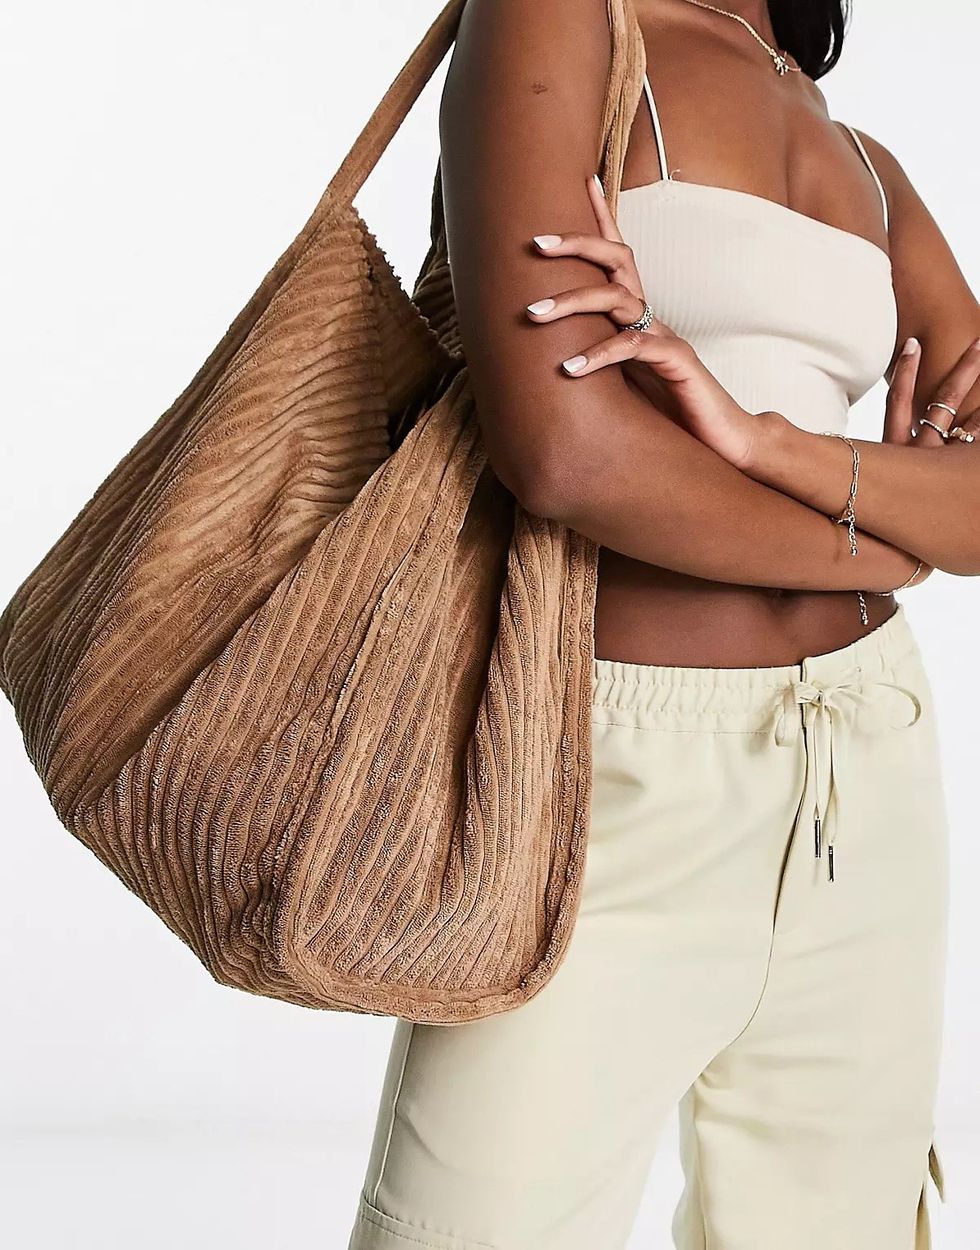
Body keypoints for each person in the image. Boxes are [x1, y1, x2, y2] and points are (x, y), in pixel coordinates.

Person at [347, 1, 979, 1246]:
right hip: (606, 773)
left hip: (864, 763)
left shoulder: (866, 162)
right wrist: (885, 535)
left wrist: (767, 444)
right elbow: (567, 454)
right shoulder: (558, 21)